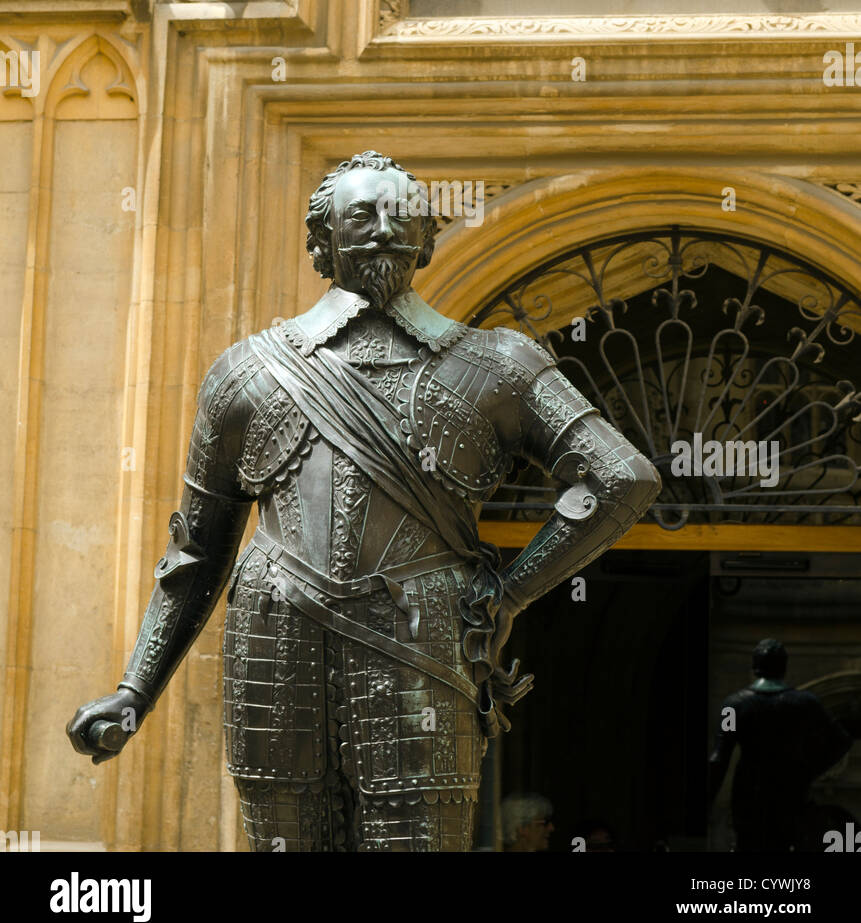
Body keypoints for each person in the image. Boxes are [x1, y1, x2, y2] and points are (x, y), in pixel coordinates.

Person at [68, 151, 660, 851]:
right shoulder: (247, 372)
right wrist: (135, 691)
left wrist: (509, 592)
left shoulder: (498, 363)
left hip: (422, 633)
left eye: (400, 214)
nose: (383, 229)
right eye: (361, 215)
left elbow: (621, 475)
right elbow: (195, 550)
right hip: (274, 638)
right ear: (321, 241)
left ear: (426, 239)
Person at [709, 637, 851, 852]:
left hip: (749, 792)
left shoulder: (734, 705)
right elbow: (841, 740)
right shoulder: (805, 703)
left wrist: (705, 801)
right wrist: (810, 770)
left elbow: (719, 758)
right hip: (791, 790)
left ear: (755, 668)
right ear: (784, 668)